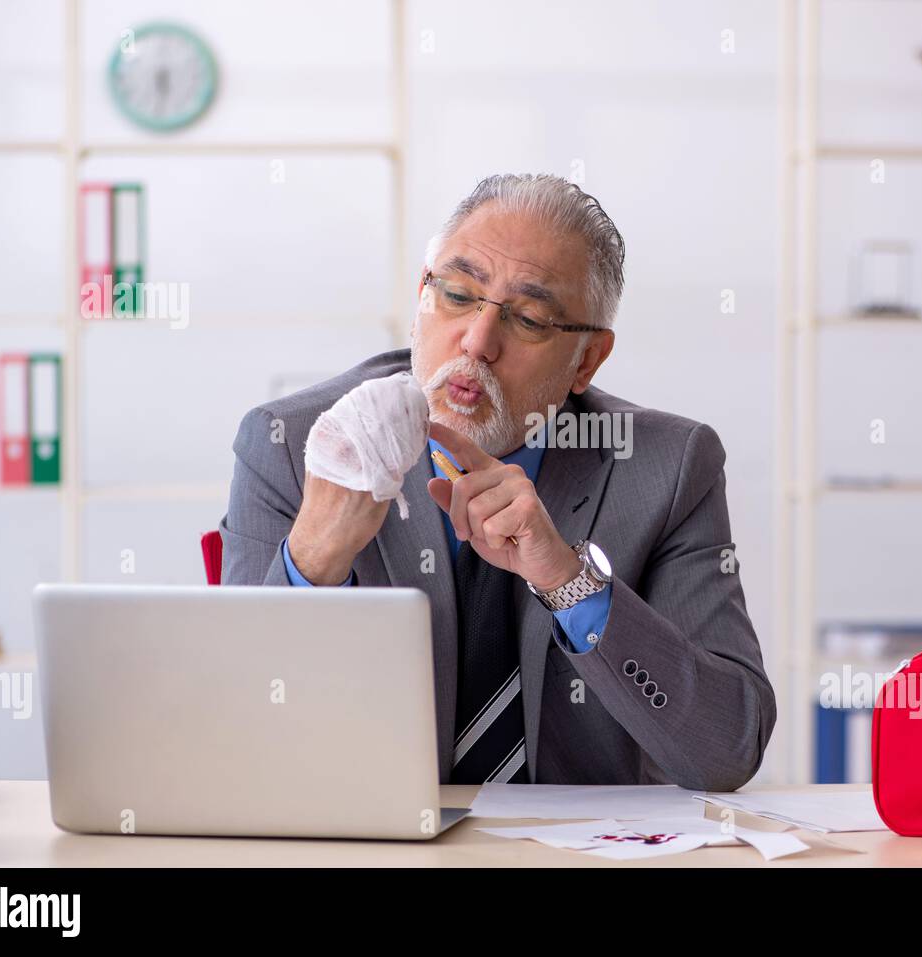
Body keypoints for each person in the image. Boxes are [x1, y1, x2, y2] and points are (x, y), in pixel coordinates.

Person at [220, 173, 775, 790]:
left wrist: (568, 581)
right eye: (458, 295)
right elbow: (236, 740)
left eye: (530, 319)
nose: (478, 341)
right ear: (421, 297)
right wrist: (314, 557)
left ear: (586, 360)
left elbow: (726, 750)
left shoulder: (668, 467)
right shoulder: (292, 445)